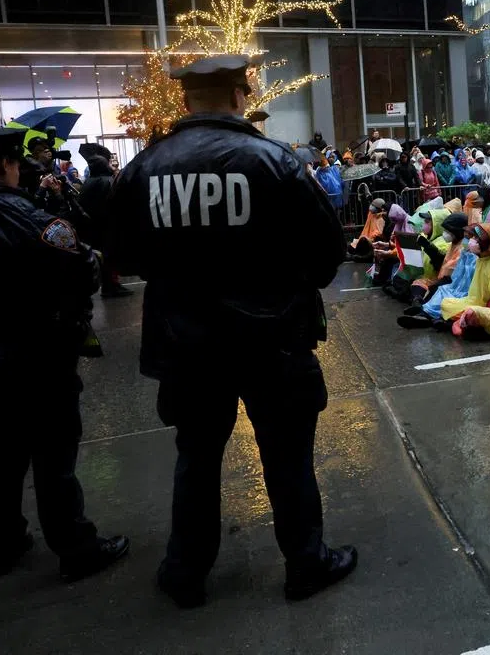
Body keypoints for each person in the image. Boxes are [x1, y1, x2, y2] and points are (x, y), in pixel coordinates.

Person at [106, 54, 356, 608]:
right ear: (242, 96)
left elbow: (121, 255)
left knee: (196, 457)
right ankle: (304, 564)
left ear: (185, 101)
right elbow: (326, 252)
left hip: (186, 344)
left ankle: (185, 573)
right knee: (287, 458)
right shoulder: (274, 161)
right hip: (272, 341)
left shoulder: (144, 168)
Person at [0, 128, 129, 581]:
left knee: (1, 453)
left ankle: (1, 544)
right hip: (33, 354)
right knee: (53, 454)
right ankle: (75, 546)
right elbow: (78, 263)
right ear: (5, 165)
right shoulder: (16, 211)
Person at [77, 143, 130, 298]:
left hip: (93, 225)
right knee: (110, 255)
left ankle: (110, 284)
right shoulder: (107, 181)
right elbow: (114, 204)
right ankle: (111, 285)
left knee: (104, 255)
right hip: (106, 225)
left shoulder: (89, 181)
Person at [404, 211, 468, 315]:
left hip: (452, 283)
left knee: (436, 290)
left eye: (448, 230)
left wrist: (430, 249)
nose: (445, 233)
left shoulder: (463, 245)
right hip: (439, 278)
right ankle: (418, 303)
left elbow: (451, 268)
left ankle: (423, 311)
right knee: (416, 284)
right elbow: (443, 262)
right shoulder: (454, 242)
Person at [347, 197, 387, 262]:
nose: (371, 207)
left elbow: (379, 233)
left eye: (374, 206)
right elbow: (366, 208)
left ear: (379, 209)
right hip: (366, 238)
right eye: (372, 205)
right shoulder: (371, 214)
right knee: (350, 247)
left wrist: (369, 239)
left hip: (373, 242)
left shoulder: (381, 218)